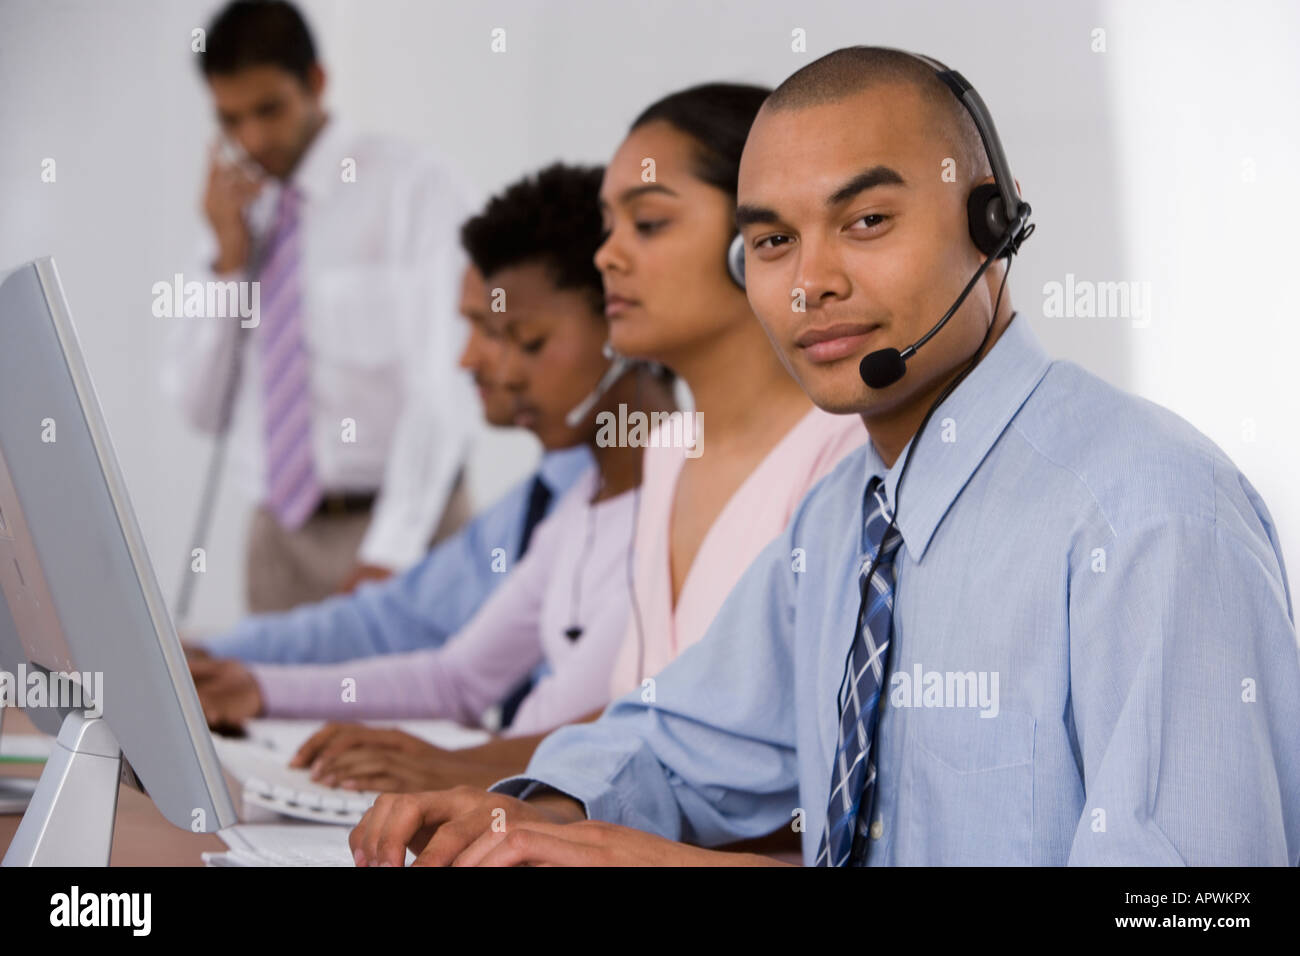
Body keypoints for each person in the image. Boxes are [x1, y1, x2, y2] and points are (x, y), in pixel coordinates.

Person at [348, 47, 1300, 867]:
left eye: (867, 221)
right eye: (771, 242)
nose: (810, 286)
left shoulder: (1152, 518)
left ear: (994, 226)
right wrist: (536, 815)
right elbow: (685, 741)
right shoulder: (848, 514)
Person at [288, 84, 865, 802]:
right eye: (607, 226)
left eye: (648, 224)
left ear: (760, 240)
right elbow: (643, 724)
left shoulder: (842, 464)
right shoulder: (668, 454)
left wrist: (510, 786)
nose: (606, 257)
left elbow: (797, 778)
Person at [197, 164, 678, 739]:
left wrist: (456, 775)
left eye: (519, 338)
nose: (472, 360)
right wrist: (249, 683)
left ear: (622, 322)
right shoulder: (573, 503)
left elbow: (594, 742)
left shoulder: (673, 509)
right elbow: (451, 674)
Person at [163, 0, 478, 612]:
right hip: (278, 541)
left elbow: (444, 384)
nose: (252, 139)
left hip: (405, 528)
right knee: (266, 707)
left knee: (403, 709)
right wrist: (228, 264)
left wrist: (390, 550)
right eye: (230, 120)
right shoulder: (232, 215)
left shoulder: (414, 189)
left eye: (269, 110)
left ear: (316, 83)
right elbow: (201, 409)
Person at [188, 260, 592, 728]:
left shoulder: (631, 507)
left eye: (509, 333)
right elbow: (404, 636)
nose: (467, 359)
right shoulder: (538, 505)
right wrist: (225, 664)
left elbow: (593, 735)